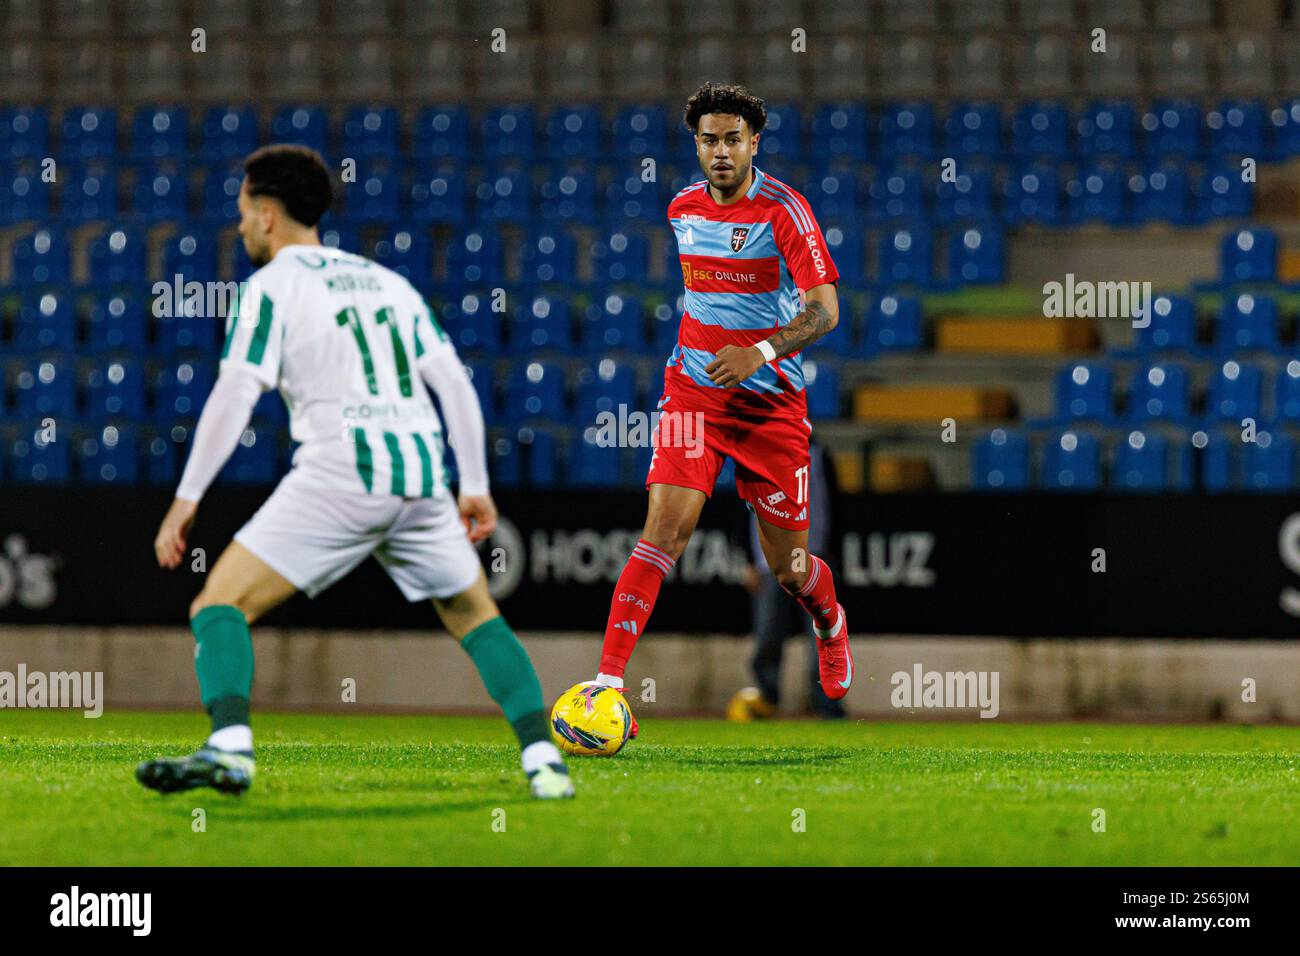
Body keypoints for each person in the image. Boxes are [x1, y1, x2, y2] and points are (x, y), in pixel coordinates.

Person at [139, 144, 573, 800]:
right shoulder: (387, 282)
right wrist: (475, 483)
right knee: (476, 618)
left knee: (218, 603)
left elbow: (235, 393)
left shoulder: (270, 287)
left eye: (240, 213)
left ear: (264, 214)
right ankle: (545, 764)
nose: (237, 227)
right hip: (422, 477)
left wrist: (186, 498)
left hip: (342, 472)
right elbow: (453, 383)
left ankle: (230, 749)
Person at [589, 83, 853, 737]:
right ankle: (607, 685)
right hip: (694, 395)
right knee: (663, 532)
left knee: (789, 572)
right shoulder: (681, 208)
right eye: (709, 139)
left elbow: (825, 309)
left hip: (770, 408)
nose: (721, 150)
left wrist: (760, 352)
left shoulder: (785, 211)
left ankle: (829, 621)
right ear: (697, 144)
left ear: (753, 142)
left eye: (733, 138)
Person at [729, 443, 845, 721]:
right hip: (769, 560)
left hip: (814, 559)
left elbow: (836, 506)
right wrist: (748, 560)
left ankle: (827, 702)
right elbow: (743, 507)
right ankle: (766, 699)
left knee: (822, 633)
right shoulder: (755, 452)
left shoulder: (819, 455)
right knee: (768, 633)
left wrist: (833, 556)